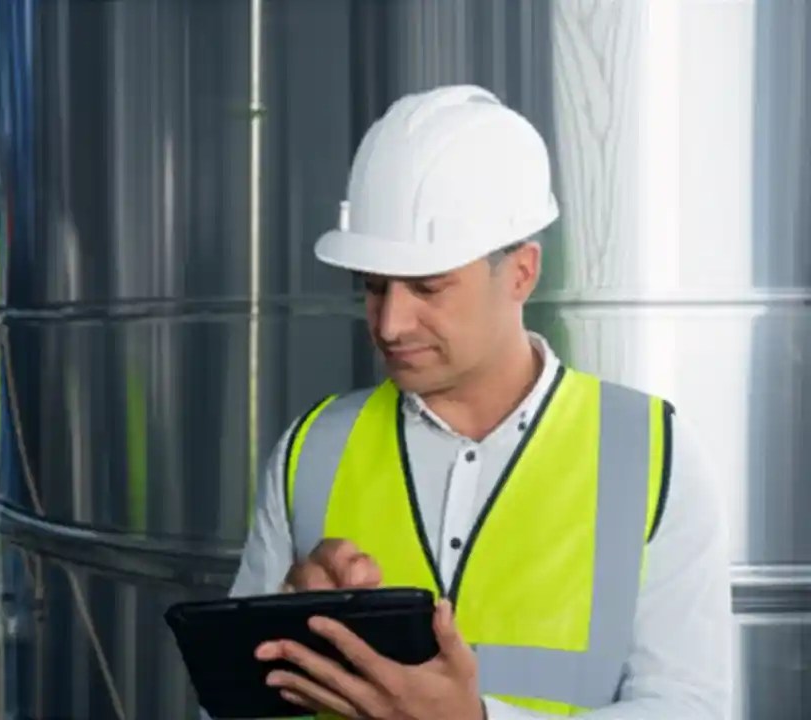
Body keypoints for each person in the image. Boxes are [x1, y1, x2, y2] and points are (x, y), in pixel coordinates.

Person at [223, 86, 732, 718]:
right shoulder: (312, 448)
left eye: (428, 287)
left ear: (521, 273)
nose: (390, 324)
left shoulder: (651, 452)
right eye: (374, 288)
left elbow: (693, 708)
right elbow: (229, 710)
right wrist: (282, 638)